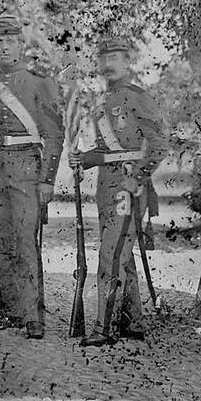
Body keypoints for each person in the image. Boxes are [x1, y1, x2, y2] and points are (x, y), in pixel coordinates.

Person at [70, 38, 170, 347]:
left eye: (115, 57)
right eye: (104, 58)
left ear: (128, 62)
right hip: (106, 187)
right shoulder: (104, 101)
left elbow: (159, 143)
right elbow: (109, 151)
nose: (108, 64)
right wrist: (83, 159)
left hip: (129, 188)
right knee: (121, 257)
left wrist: (138, 177)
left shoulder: (139, 97)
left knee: (110, 256)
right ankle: (132, 324)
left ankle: (104, 328)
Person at [0, 14, 64, 339]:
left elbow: (54, 134)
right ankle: (10, 310)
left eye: (8, 43)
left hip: (26, 167)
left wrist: (47, 179)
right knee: (2, 241)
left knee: (25, 242)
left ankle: (33, 315)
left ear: (20, 46)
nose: (2, 49)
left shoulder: (39, 83)